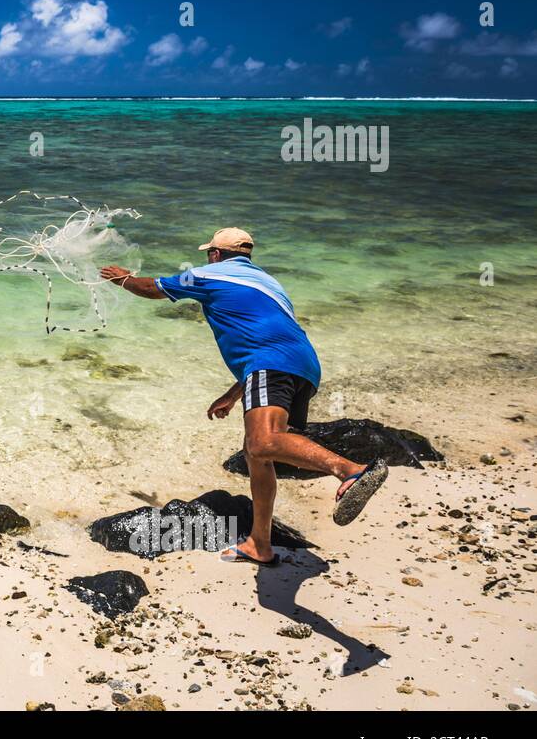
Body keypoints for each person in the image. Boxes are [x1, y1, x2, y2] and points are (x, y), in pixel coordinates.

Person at [100, 227, 387, 565]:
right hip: (302, 367)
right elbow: (269, 333)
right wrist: (235, 392)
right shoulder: (269, 283)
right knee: (258, 458)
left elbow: (151, 288)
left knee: (263, 442)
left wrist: (123, 278)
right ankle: (259, 544)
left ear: (215, 254)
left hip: (270, 365)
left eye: (209, 252)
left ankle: (350, 470)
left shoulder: (207, 275)